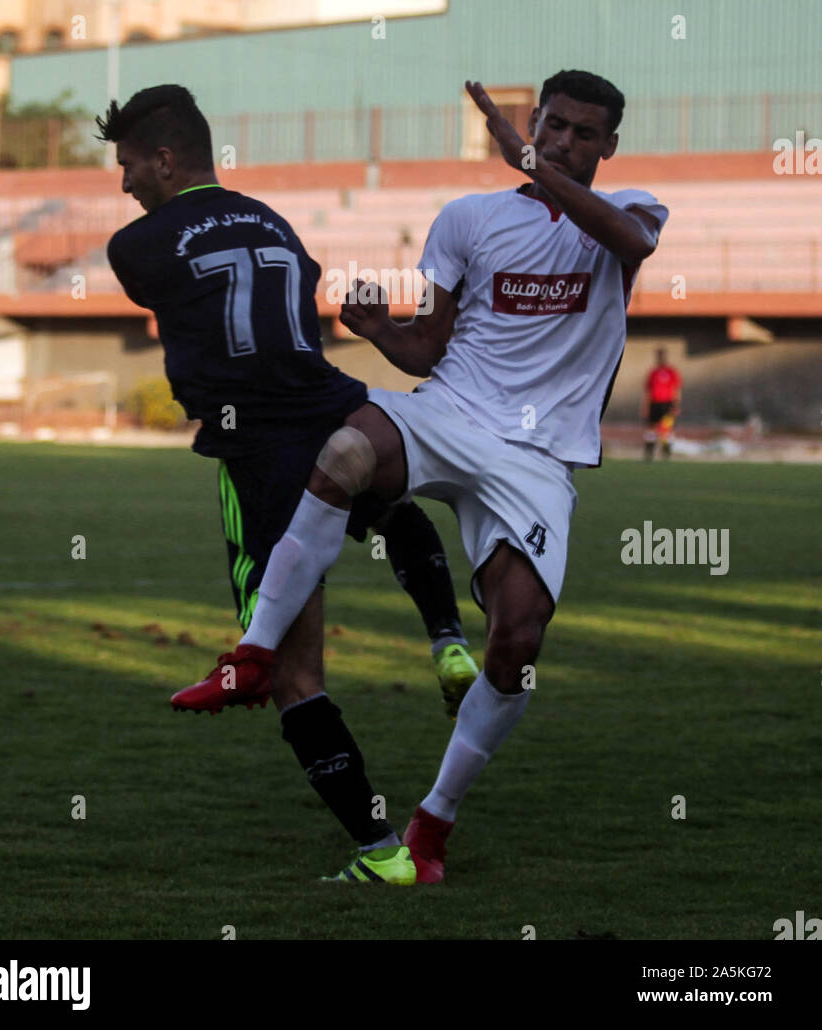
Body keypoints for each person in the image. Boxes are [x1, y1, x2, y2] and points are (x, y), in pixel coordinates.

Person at [212, 69, 670, 885]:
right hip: (452, 412)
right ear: (539, 119)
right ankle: (251, 654)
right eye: (553, 125)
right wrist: (377, 329)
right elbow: (428, 350)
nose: (565, 141)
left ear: (608, 146)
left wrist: (531, 162)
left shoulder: (631, 212)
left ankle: (429, 827)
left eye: (583, 134)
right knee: (346, 451)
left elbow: (631, 249)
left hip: (534, 459)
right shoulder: (466, 219)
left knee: (518, 642)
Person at [96, 85, 478, 869]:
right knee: (389, 502)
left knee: (292, 676)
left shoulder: (133, 245)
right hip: (335, 403)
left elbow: (168, 289)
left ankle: (381, 850)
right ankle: (445, 638)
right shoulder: (273, 220)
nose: (124, 183)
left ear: (165, 161)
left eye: (130, 165)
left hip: (259, 447)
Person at [642, 348, 682, 459]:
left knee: (666, 428)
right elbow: (648, 391)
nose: (660, 358)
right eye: (658, 356)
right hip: (654, 403)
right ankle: (649, 451)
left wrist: (676, 405)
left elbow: (677, 389)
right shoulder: (653, 373)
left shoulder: (671, 372)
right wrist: (645, 406)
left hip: (667, 404)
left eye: (662, 356)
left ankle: (666, 452)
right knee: (651, 427)